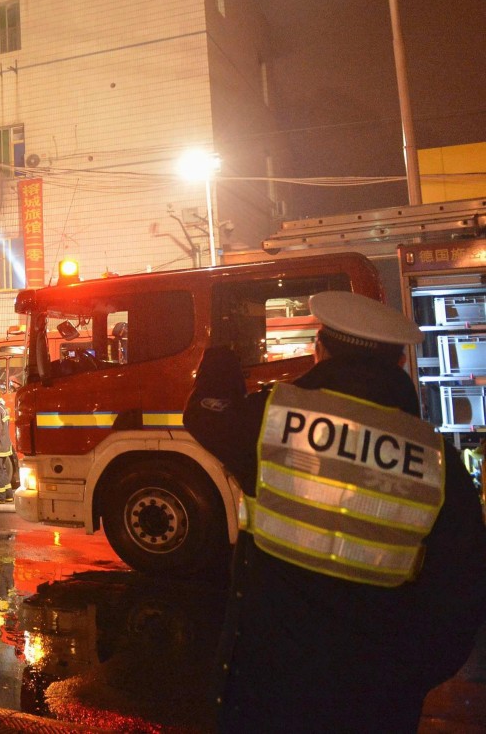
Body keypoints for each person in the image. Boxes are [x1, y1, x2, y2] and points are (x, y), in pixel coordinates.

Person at [183, 290, 486, 732]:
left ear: (320, 351)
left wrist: (221, 359)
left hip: (269, 691)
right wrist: (404, 681)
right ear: (400, 363)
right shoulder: (439, 463)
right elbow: (462, 599)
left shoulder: (273, 419)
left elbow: (206, 416)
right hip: (374, 703)